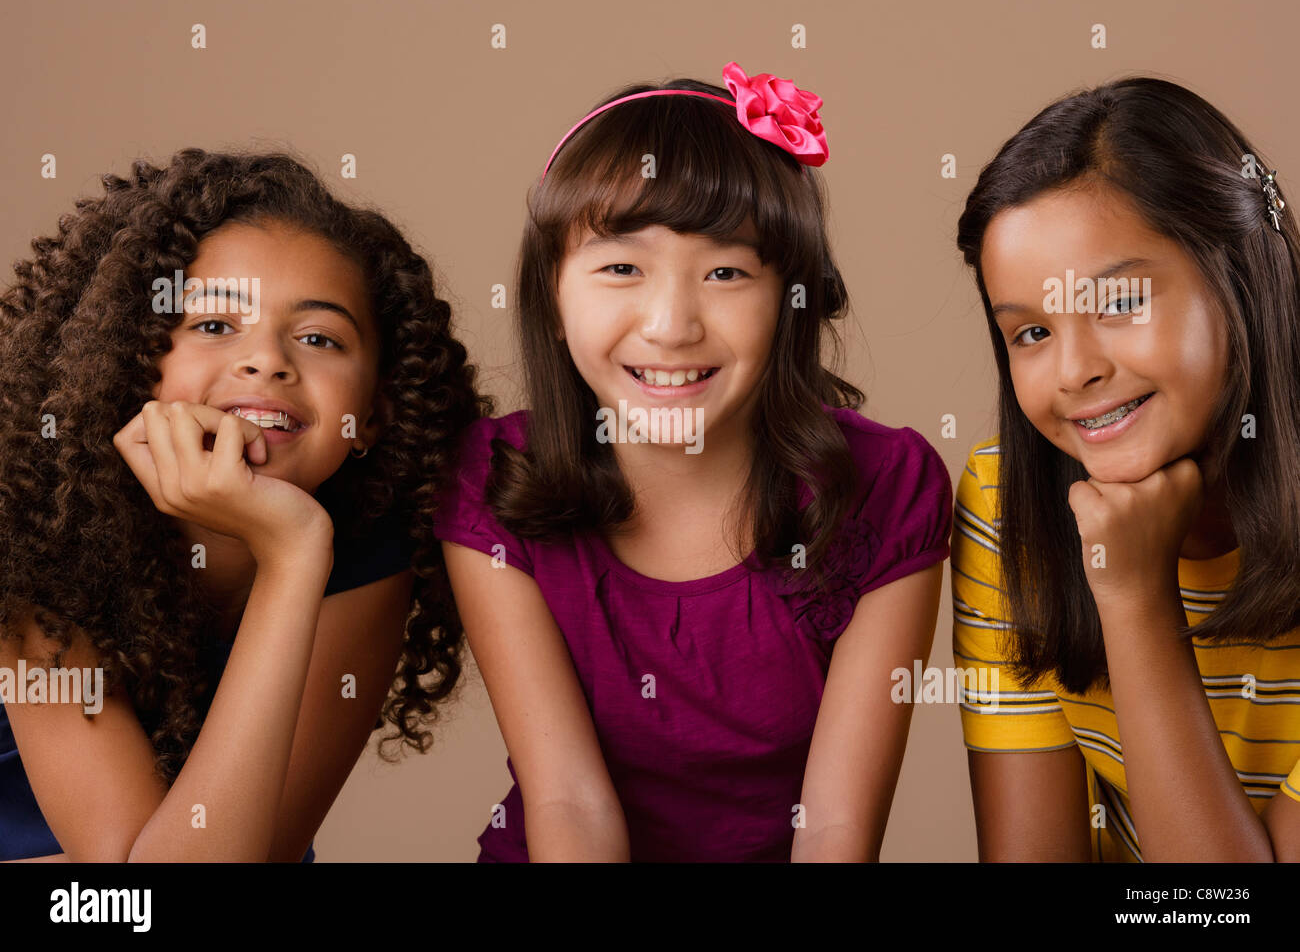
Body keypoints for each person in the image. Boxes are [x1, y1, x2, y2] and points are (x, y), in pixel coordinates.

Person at [434, 62, 953, 861]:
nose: (672, 325)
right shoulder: (494, 475)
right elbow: (568, 801)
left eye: (725, 272)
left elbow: (837, 829)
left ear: (790, 301)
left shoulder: (888, 487)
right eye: (620, 268)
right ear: (552, 292)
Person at [0, 149, 488, 861]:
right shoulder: (31, 540)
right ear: (125, 361)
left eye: (319, 338)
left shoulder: (367, 545)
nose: (267, 361)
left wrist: (293, 553)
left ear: (375, 413)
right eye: (214, 326)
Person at [951, 77, 1300, 861]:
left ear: (1239, 279)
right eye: (1032, 332)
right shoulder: (1009, 503)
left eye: (1118, 304)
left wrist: (1136, 597)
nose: (1073, 371)